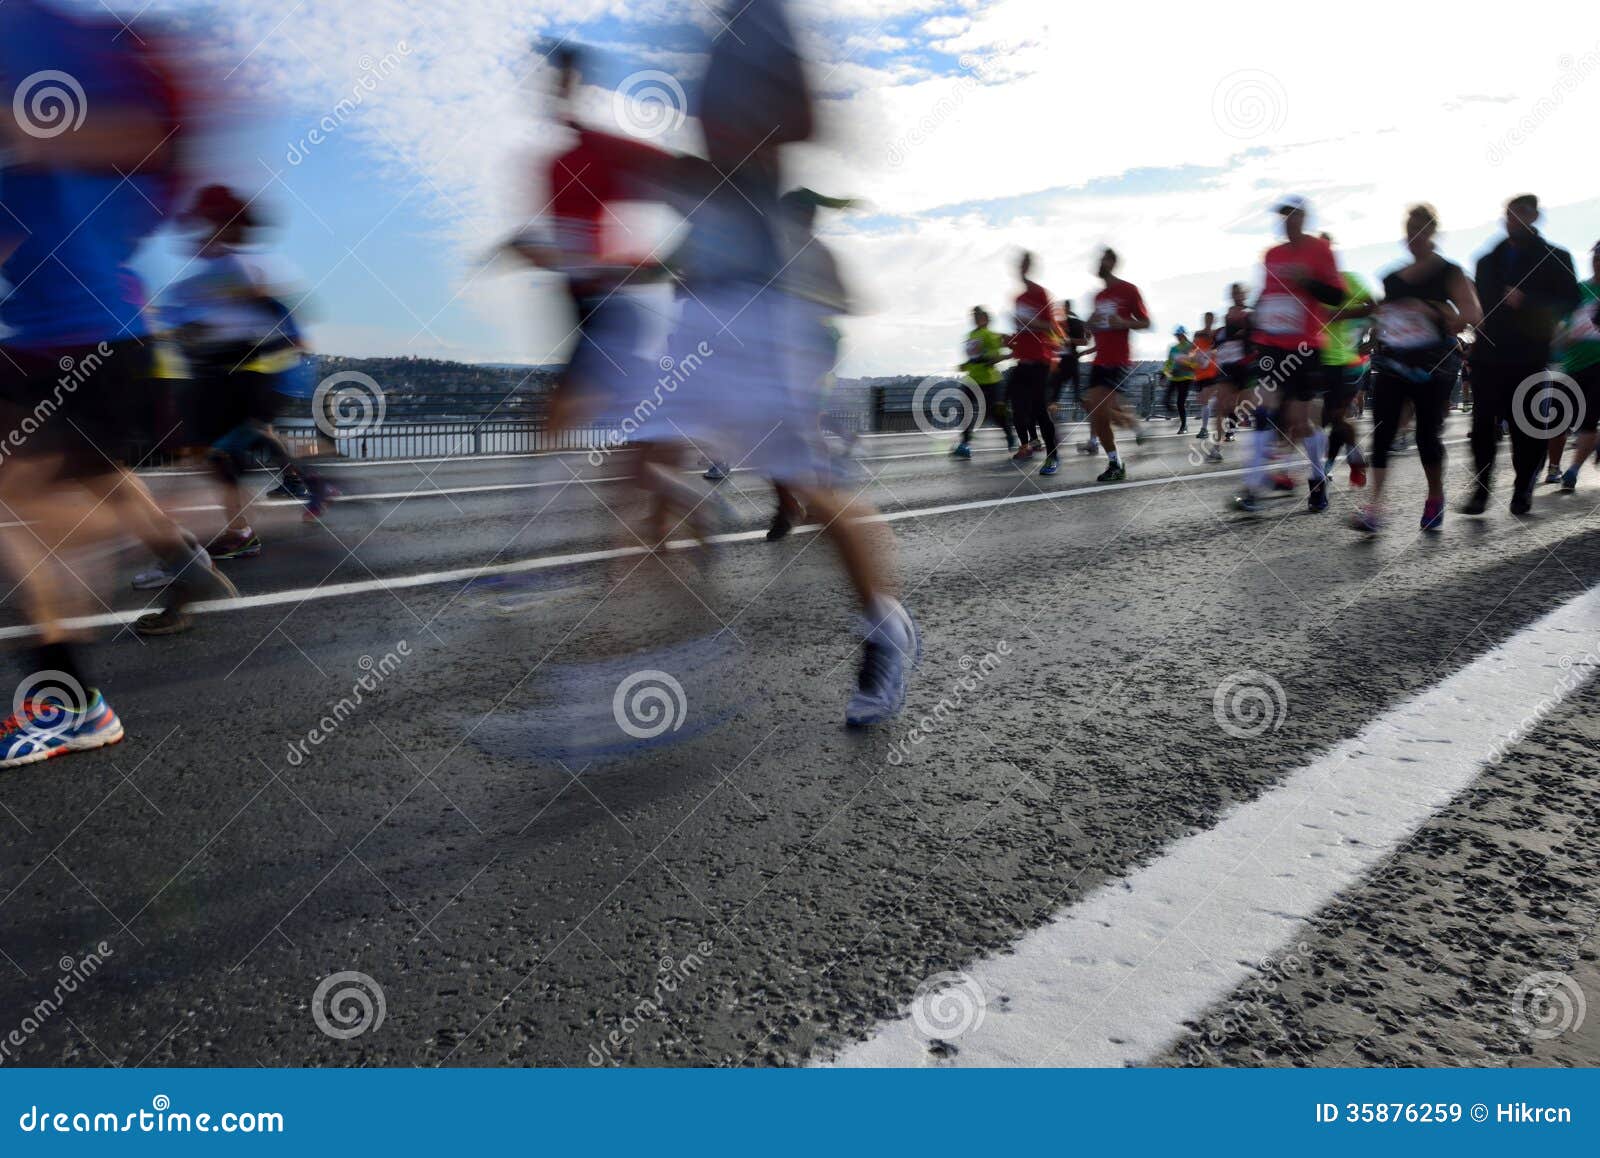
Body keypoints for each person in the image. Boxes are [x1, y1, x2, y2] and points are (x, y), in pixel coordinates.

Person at [640, 0, 919, 726]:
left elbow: (808, 124)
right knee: (642, 455)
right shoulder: (718, 31)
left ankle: (887, 626)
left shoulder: (762, 18)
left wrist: (737, 148)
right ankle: (632, 656)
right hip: (705, 303)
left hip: (760, 306)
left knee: (810, 485)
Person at [0, 0, 237, 766]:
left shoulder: (56, 33)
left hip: (91, 330)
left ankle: (70, 703)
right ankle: (179, 551)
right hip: (40, 329)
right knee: (81, 487)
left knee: (28, 510)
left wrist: (24, 123)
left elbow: (157, 136)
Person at [1349, 204, 1482, 532]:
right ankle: (1374, 508)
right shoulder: (1393, 278)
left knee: (1426, 435)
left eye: (1420, 231)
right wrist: (1374, 328)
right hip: (1394, 360)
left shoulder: (1449, 272)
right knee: (1382, 433)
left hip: (1434, 363)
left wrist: (1439, 311)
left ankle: (1435, 496)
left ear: (1432, 233)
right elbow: (1387, 315)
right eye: (1409, 231)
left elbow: (1473, 315)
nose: (1413, 237)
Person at [1464, 193, 1581, 516]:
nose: (1512, 219)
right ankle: (1481, 489)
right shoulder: (1487, 259)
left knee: (1525, 425)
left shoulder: (1556, 257)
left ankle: (1522, 487)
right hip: (1488, 354)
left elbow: (1570, 301)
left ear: (1534, 217)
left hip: (1528, 355)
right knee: (1483, 423)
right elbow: (1480, 306)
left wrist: (1527, 301)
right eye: (1509, 213)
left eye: (1520, 214)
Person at [1234, 195, 1347, 514]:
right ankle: (1253, 488)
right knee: (1262, 412)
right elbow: (1268, 295)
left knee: (1301, 420)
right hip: (1272, 343)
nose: (1287, 221)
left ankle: (1317, 479)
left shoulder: (1320, 250)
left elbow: (1336, 296)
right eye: (1283, 216)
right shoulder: (1272, 254)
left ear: (1304, 219)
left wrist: (1307, 281)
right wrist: (1252, 317)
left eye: (1293, 216)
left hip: (1306, 346)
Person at [1083, 247, 1151, 481]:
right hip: (1099, 359)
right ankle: (1116, 459)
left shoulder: (1129, 290)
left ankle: (1117, 462)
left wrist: (1122, 321)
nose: (1099, 263)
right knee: (1096, 411)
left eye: (1103, 260)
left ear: (1112, 262)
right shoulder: (1099, 297)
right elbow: (1093, 328)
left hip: (1118, 359)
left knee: (1101, 409)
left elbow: (1145, 322)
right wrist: (1089, 323)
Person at [1317, 235, 1375, 489]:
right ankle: (1354, 460)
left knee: (1333, 416)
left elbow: (1376, 307)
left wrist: (1371, 341)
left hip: (1349, 361)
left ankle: (1325, 470)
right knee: (1327, 420)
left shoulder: (1350, 280)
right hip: (1319, 361)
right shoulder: (1311, 288)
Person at [1005, 251, 1064, 474]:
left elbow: (1051, 328)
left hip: (1041, 361)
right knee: (1018, 409)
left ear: (1030, 268)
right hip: (1023, 361)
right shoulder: (1018, 299)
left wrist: (1030, 322)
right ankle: (1027, 446)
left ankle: (1052, 455)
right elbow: (1021, 330)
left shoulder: (1041, 294)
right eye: (1019, 264)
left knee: (1039, 411)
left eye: (1025, 264)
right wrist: (1010, 339)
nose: (1021, 268)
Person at [1556, 241, 1600, 492]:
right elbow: (1563, 324)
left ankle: (1571, 471)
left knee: (1589, 419)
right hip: (1575, 364)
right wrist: (1562, 338)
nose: (1598, 261)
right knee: (1575, 419)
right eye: (1596, 256)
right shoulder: (1579, 290)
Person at [954, 306, 1010, 458]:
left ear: (985, 319)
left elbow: (996, 354)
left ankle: (1010, 435)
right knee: (965, 407)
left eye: (978, 316)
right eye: (973, 315)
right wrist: (965, 364)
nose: (975, 318)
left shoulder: (991, 335)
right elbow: (973, 357)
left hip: (991, 380)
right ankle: (965, 444)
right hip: (973, 379)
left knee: (995, 413)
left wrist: (986, 357)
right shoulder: (971, 334)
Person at [1161, 327, 1196, 433]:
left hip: (1186, 378)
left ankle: (1183, 425)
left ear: (1184, 335)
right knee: (1165, 400)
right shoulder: (1173, 348)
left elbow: (1194, 363)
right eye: (1176, 335)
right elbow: (1168, 363)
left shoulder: (1191, 347)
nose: (1178, 337)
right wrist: (1164, 374)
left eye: (1180, 335)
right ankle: (1177, 414)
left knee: (1180, 402)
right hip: (1174, 377)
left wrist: (1186, 365)